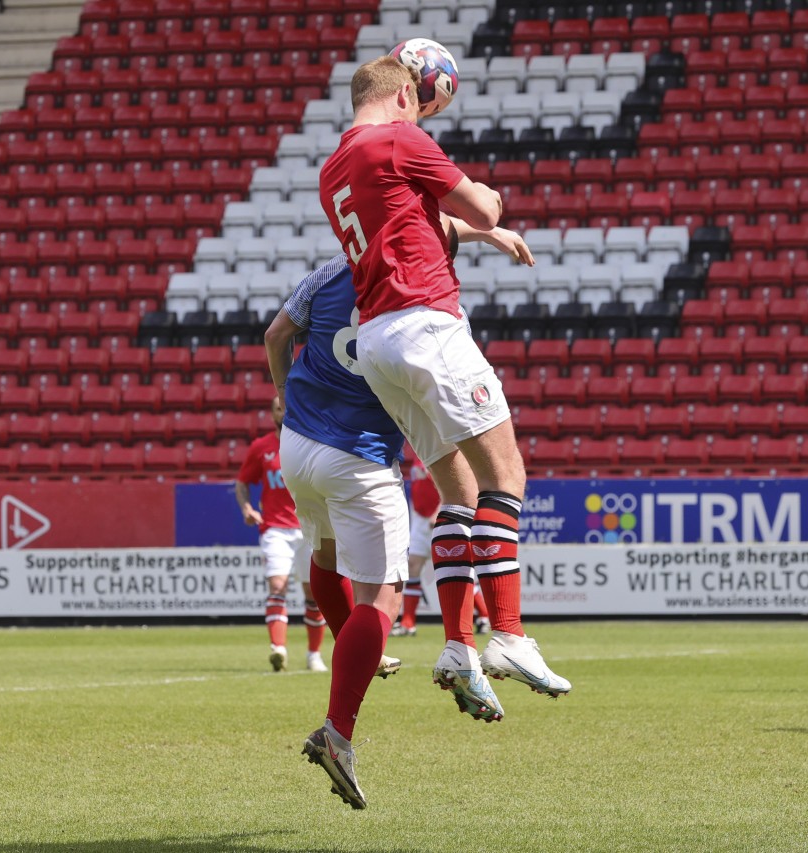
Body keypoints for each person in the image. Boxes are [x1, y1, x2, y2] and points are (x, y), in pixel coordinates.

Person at [319, 56, 571, 724]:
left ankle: (458, 644)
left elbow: (417, 224)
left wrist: (482, 236)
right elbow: (481, 202)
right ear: (406, 94)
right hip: (426, 321)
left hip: (376, 339)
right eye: (422, 104)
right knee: (506, 475)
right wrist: (489, 212)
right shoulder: (402, 138)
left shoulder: (336, 164)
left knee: (458, 494)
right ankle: (510, 634)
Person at [265, 219, 535, 806]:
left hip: (296, 444)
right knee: (383, 600)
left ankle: (356, 650)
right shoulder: (415, 299)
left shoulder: (327, 273)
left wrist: (287, 396)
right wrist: (489, 234)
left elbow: (275, 334)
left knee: (325, 555)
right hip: (357, 458)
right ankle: (339, 732)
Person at [235, 397, 327, 673]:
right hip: (275, 529)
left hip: (308, 527)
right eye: (278, 408)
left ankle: (314, 655)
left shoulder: (311, 443)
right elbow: (242, 482)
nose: (283, 411)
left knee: (314, 594)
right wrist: (247, 507)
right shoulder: (261, 447)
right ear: (272, 413)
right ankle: (279, 649)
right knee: (277, 586)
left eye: (287, 406)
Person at [391, 444, 491, 638]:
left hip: (443, 513)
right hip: (420, 517)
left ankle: (484, 615)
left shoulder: (445, 445)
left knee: (460, 566)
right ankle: (408, 623)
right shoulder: (420, 446)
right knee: (413, 566)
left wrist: (439, 510)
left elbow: (454, 482)